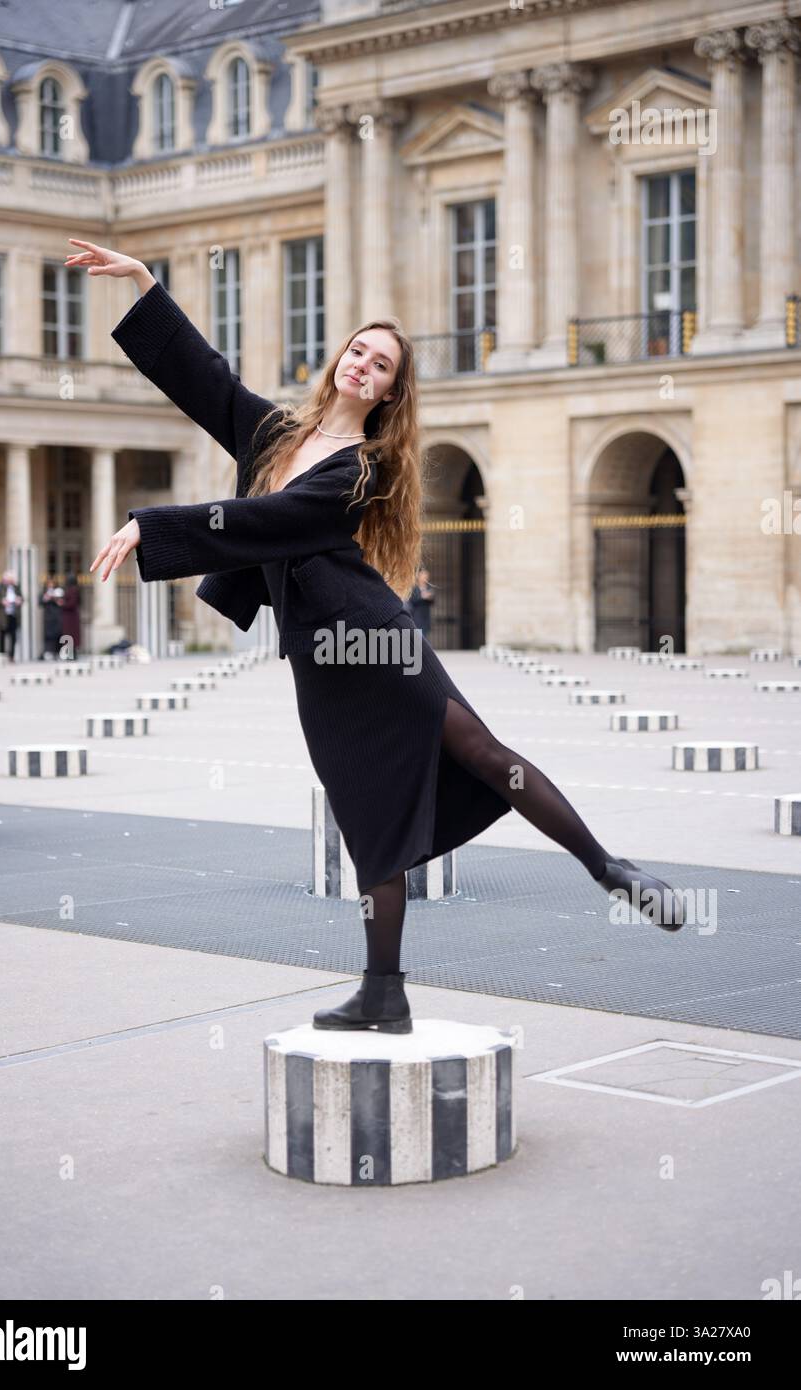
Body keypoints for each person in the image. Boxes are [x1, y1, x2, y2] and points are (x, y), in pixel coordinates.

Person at [71, 236, 687, 1039]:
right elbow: (205, 380)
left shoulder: (364, 468)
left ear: (392, 390)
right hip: (318, 662)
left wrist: (152, 528)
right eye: (358, 351)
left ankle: (609, 869)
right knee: (367, 822)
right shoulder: (275, 435)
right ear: (340, 360)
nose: (363, 365)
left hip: (376, 641)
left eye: (382, 364)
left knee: (482, 752)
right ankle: (383, 992)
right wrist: (145, 286)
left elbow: (274, 520)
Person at [0, 569, 23, 661]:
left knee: (13, 637)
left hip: (13, 615)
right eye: (10, 579)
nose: (11, 581)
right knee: (1, 637)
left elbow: (22, 598)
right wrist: (2, 601)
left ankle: (11, 656)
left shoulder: (16, 588)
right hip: (2, 617)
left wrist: (19, 600)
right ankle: (1, 656)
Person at [406, 566, 435, 636]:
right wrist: (422, 596)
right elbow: (411, 600)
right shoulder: (414, 588)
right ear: (418, 576)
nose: (425, 577)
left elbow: (433, 601)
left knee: (424, 636)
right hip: (416, 617)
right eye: (423, 574)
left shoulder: (429, 587)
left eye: (426, 574)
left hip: (426, 616)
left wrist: (430, 597)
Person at [39, 576, 63, 659]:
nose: (50, 585)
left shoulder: (58, 591)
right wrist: (46, 598)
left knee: (57, 634)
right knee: (48, 635)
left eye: (52, 583)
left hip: (57, 616)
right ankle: (49, 652)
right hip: (48, 617)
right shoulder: (44, 592)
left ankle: (57, 652)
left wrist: (55, 599)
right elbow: (40, 602)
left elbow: (62, 602)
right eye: (49, 583)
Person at [59, 573, 82, 659]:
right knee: (70, 635)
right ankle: (70, 654)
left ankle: (72, 654)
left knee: (70, 635)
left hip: (70, 617)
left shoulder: (73, 590)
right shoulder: (73, 589)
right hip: (70, 616)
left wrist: (62, 604)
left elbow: (72, 603)